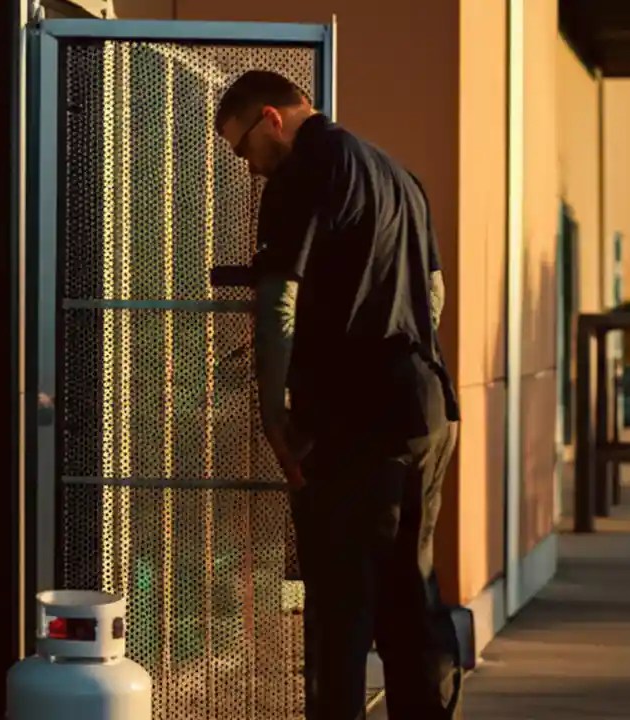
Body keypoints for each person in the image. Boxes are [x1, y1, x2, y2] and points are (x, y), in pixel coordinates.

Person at [215, 70, 463, 718]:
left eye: (243, 148)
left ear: (271, 118)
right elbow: (435, 295)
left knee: (339, 608)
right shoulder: (399, 176)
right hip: (426, 409)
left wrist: (274, 416)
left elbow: (279, 301)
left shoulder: (306, 170)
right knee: (412, 596)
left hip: (357, 421)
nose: (249, 168)